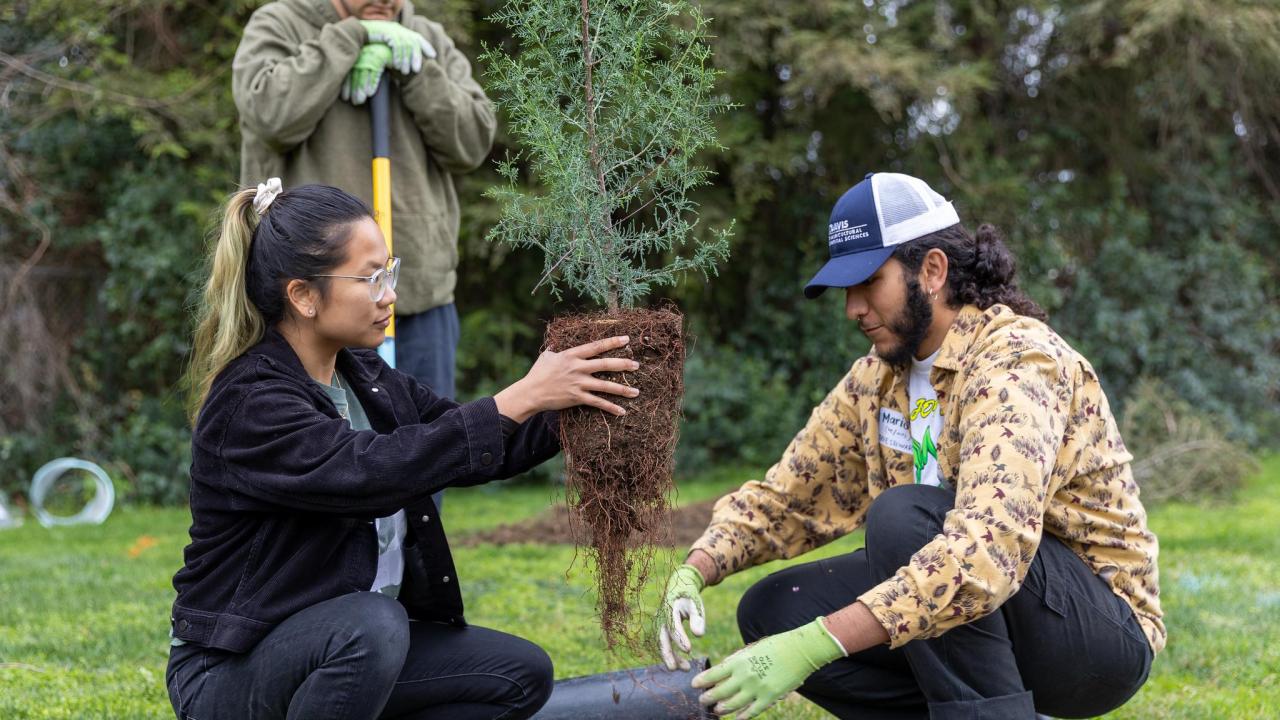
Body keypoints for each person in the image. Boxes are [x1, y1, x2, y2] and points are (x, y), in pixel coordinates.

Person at [657, 172, 1164, 720]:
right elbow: (793, 495)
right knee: (775, 608)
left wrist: (817, 643)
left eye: (868, 282)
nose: (853, 308)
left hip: (1096, 634)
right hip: (983, 608)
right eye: (845, 290)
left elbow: (986, 552)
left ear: (933, 271)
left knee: (903, 520)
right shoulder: (875, 380)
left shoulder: (1014, 360)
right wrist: (698, 566)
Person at [167, 182, 641, 720]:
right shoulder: (251, 400)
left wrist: (578, 397)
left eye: (387, 271)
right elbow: (367, 471)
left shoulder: (363, 374)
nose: (389, 293)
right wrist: (519, 395)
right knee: (373, 625)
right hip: (231, 673)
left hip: (344, 648)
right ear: (303, 295)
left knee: (517, 674)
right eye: (370, 278)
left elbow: (470, 445)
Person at [232, 0, 491, 419]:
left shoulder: (428, 39)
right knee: (327, 455)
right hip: (315, 301)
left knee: (430, 448)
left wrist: (416, 68)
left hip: (419, 294)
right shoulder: (280, 25)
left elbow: (473, 143)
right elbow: (269, 114)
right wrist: (351, 39)